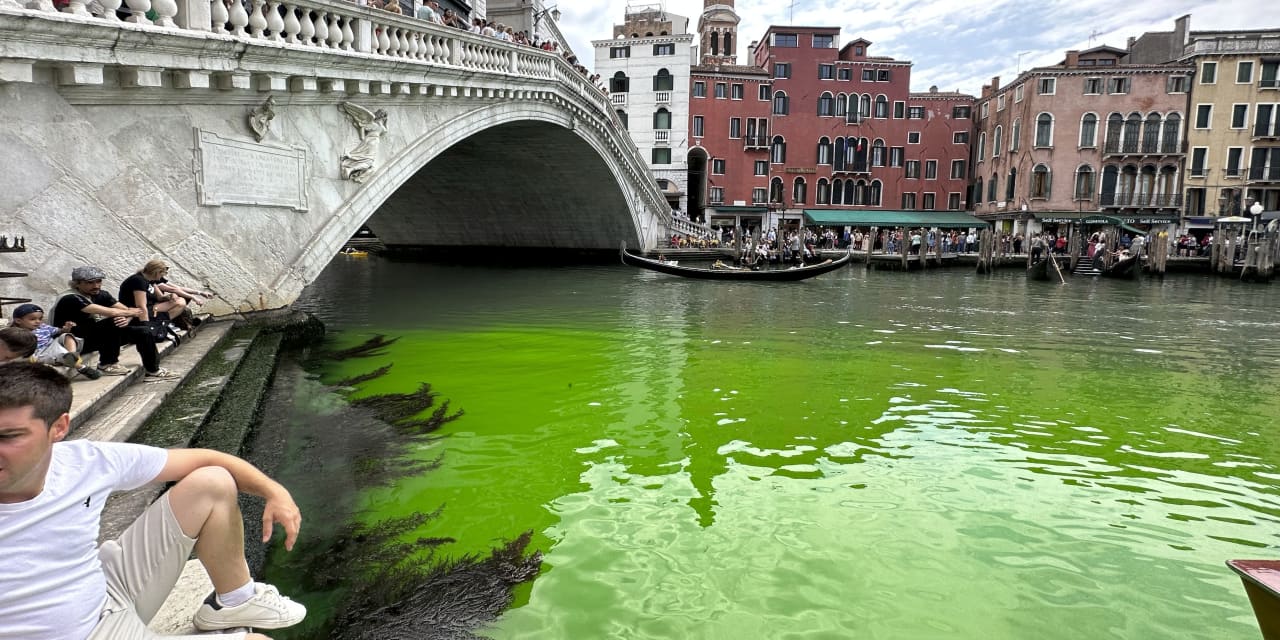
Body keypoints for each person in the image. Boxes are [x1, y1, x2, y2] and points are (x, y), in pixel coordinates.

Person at [0, 361, 306, 640]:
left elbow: (207, 458)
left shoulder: (86, 461)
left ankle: (236, 601)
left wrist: (274, 492)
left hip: (102, 590)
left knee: (212, 481)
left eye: (9, 436)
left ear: (59, 428)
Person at [51, 266, 177, 379]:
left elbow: (128, 310)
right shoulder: (71, 298)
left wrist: (126, 318)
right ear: (77, 284)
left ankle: (153, 371)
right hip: (73, 340)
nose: (96, 286)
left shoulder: (101, 294)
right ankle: (106, 364)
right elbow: (112, 312)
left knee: (143, 332)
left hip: (96, 336)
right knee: (113, 321)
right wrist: (126, 314)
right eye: (90, 283)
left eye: (99, 281)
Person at [9, 303, 101, 379]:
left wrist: (66, 328)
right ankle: (80, 367)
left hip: (52, 344)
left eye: (40, 319)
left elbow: (60, 331)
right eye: (32, 319)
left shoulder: (43, 327)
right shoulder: (15, 332)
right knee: (59, 354)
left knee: (66, 336)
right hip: (40, 352)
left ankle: (72, 355)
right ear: (18, 321)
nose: (37, 321)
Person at [120, 260, 188, 327]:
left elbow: (160, 298)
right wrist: (146, 327)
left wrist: (171, 295)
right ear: (157, 272)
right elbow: (141, 306)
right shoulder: (139, 281)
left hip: (151, 307)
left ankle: (162, 324)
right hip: (136, 311)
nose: (163, 276)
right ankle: (156, 325)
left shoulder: (150, 281)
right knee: (180, 303)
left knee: (181, 301)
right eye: (164, 273)